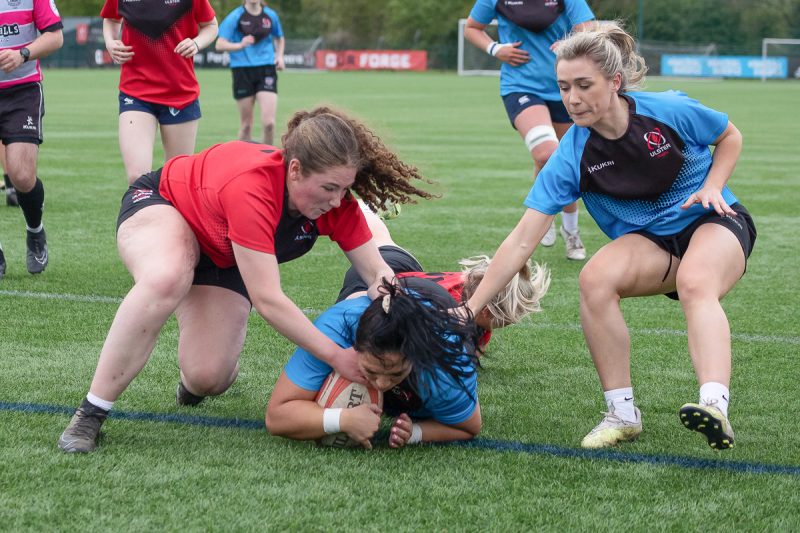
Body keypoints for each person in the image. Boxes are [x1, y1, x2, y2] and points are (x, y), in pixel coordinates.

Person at [58, 107, 433, 453]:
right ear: (296, 170)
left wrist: (401, 317)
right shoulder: (253, 188)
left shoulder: (338, 205)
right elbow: (268, 300)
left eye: (344, 188)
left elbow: (377, 273)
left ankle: (196, 375)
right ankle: (91, 412)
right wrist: (338, 356)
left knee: (208, 378)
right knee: (168, 276)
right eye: (329, 188)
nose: (337, 201)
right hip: (165, 207)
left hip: (223, 252)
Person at [466, 22, 756, 451]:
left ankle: (713, 405)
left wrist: (713, 185)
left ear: (615, 82)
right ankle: (622, 414)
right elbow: (522, 239)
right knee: (594, 278)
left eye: (584, 85)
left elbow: (729, 135)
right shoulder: (571, 156)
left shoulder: (666, 109)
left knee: (697, 282)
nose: (572, 99)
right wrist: (470, 309)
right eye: (564, 87)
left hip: (713, 221)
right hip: (652, 242)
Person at [266, 277, 483, 449]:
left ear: (416, 358)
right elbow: (277, 417)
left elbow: (469, 427)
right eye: (370, 370)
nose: (380, 384)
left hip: (433, 297)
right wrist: (343, 419)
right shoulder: (335, 329)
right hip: (375, 286)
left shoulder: (444, 359)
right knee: (372, 260)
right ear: (354, 345)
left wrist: (415, 433)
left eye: (395, 374)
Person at [464, 0, 595, 261]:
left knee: (566, 161)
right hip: (520, 85)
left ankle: (570, 230)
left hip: (565, 87)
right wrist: (495, 48)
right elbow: (471, 28)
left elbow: (588, 27)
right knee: (547, 154)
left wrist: (571, 43)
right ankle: (545, 217)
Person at [337, 202, 551, 353]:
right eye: (508, 320)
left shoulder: (478, 302)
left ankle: (367, 211)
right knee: (351, 316)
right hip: (384, 280)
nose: (511, 323)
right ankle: (354, 208)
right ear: (487, 311)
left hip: (407, 264)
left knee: (381, 238)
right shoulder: (436, 307)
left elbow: (475, 346)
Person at [100, 0, 218, 185]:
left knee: (177, 181)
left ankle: (167, 214)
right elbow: (111, 19)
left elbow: (211, 25)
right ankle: (144, 213)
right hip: (136, 91)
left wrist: (196, 43)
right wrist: (110, 41)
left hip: (180, 93)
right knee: (137, 177)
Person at [0, 0, 63, 279]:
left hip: (22, 92)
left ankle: (35, 231)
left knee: (22, 176)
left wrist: (23, 54)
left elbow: (55, 36)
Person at [216, 0, 284, 145]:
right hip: (242, 71)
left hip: (266, 69)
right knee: (246, 126)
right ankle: (242, 165)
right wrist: (240, 45)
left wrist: (279, 56)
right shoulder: (235, 16)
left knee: (269, 124)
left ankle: (267, 162)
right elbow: (219, 44)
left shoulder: (270, 15)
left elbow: (279, 37)